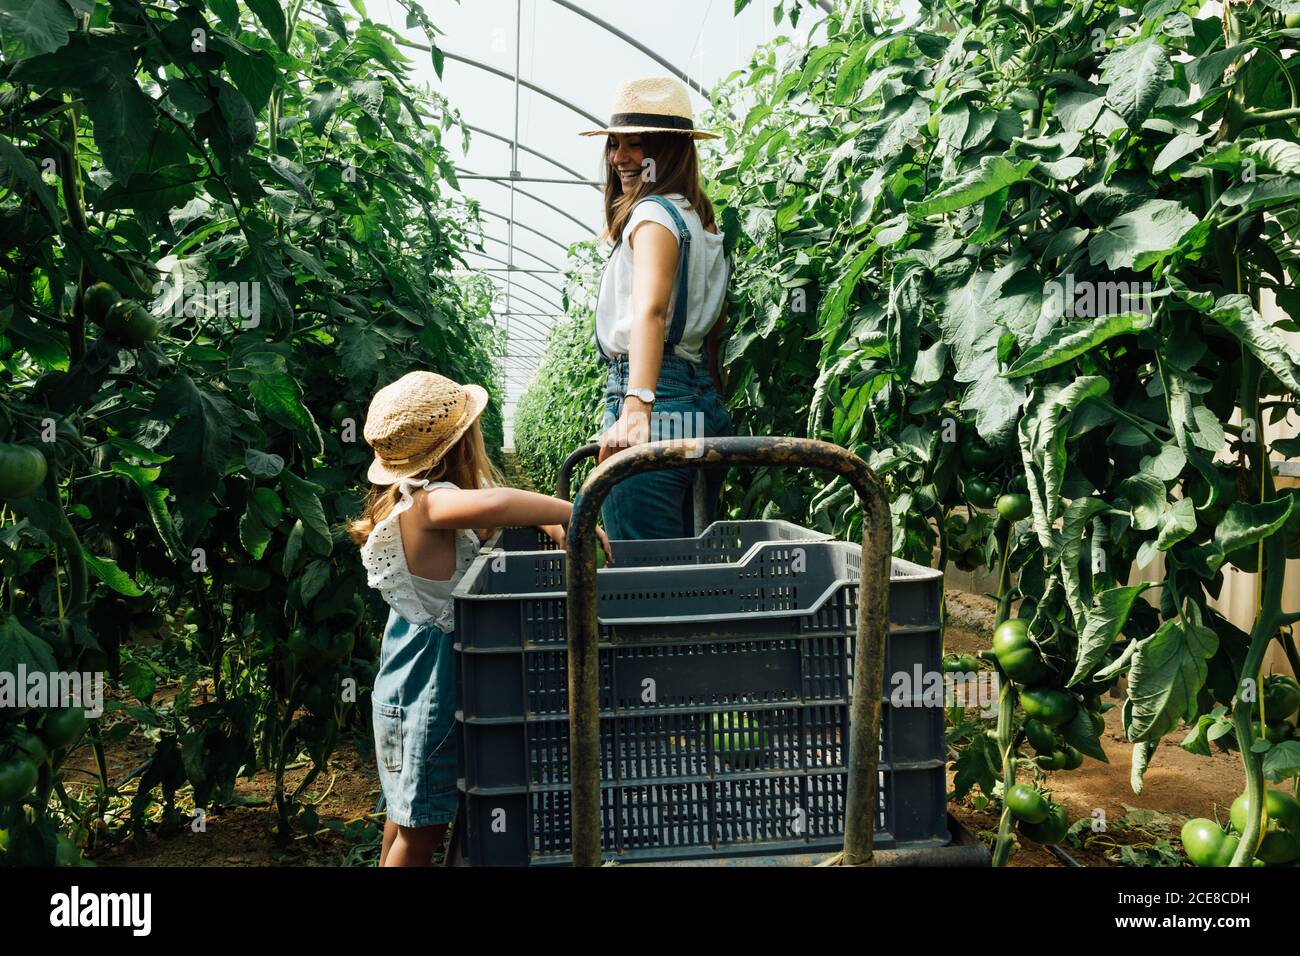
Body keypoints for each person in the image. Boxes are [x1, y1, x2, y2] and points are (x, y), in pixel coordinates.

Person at [348, 370, 610, 866]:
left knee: (406, 818)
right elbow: (497, 501)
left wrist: (545, 518)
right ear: (462, 444)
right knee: (421, 831)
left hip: (405, 680)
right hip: (431, 692)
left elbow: (494, 507)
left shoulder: (413, 499)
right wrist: (574, 510)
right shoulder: (431, 503)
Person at [579, 76, 735, 540]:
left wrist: (637, 405)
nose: (619, 157)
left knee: (641, 567)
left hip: (655, 397)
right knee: (688, 552)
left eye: (636, 145)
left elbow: (650, 311)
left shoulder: (651, 217)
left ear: (668, 151)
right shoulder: (700, 222)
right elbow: (714, 331)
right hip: (695, 399)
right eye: (615, 144)